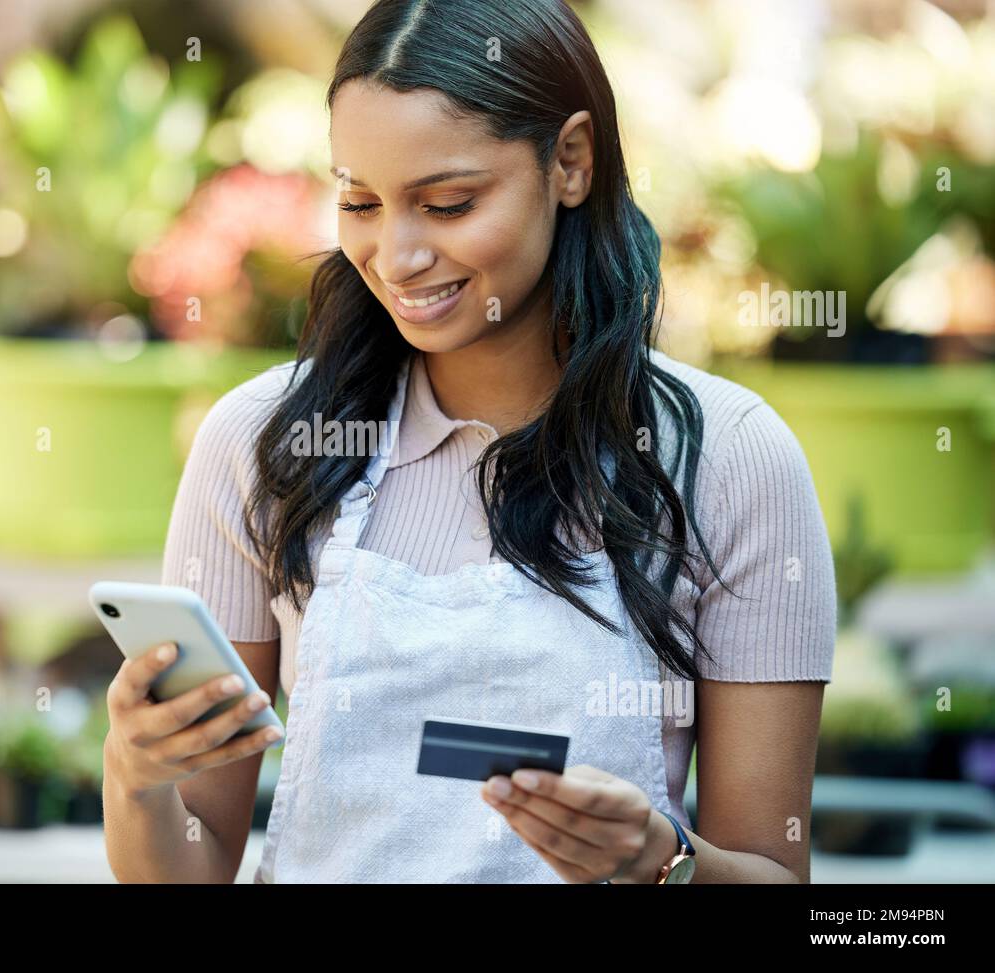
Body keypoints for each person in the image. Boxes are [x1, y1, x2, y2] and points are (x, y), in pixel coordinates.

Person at [102, 0, 837, 883]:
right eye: (361, 202)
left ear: (570, 161)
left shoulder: (727, 459)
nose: (397, 255)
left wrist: (660, 859)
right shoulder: (266, 445)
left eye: (448, 203)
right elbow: (192, 865)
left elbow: (777, 879)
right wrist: (135, 776)